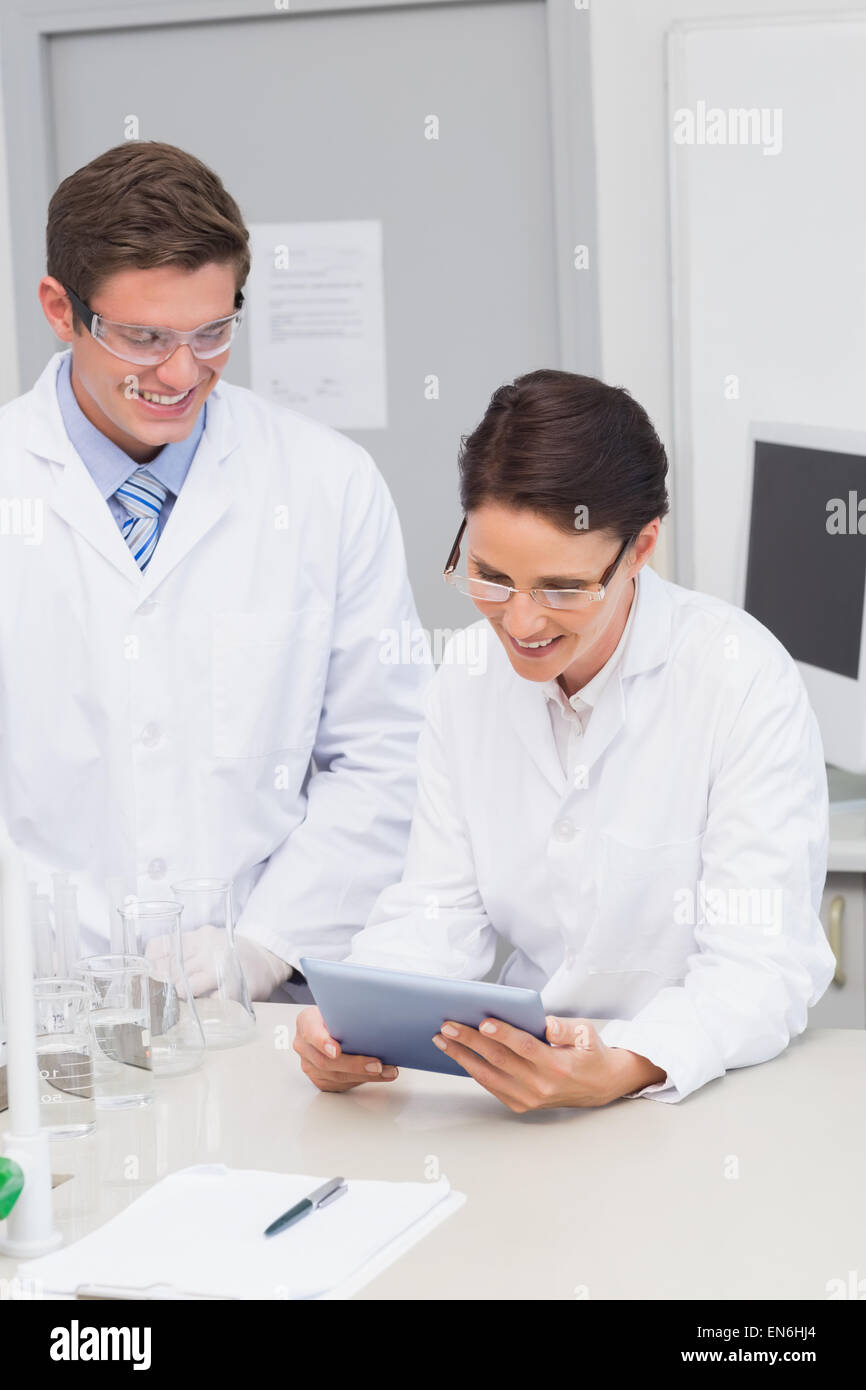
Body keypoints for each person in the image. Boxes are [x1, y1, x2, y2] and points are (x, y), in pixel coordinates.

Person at [294, 369, 836, 1104]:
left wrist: (628, 1064)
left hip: (706, 1092)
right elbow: (440, 912)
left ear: (641, 549)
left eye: (562, 588)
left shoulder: (739, 680)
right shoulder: (468, 674)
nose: (520, 622)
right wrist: (349, 1020)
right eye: (489, 577)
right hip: (528, 1090)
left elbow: (760, 965)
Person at [0, 141, 429, 998]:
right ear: (59, 308)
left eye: (213, 331)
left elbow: (387, 751)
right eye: (143, 337)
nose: (181, 371)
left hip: (264, 997)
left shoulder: (324, 483)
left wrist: (265, 946)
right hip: (36, 1004)